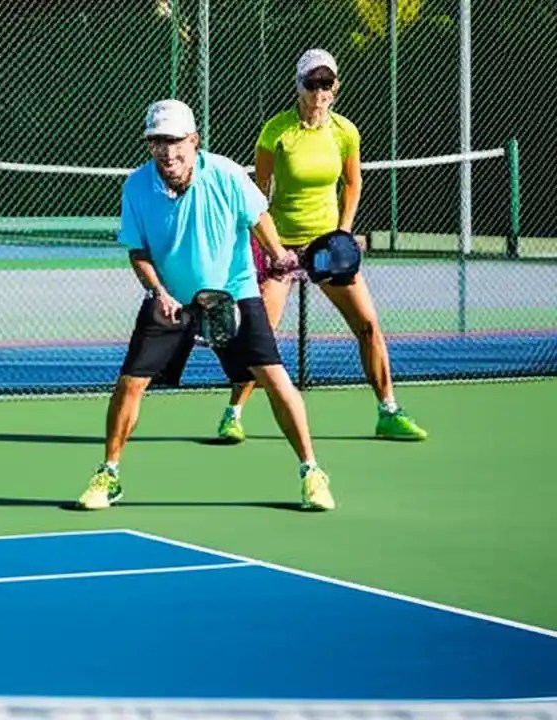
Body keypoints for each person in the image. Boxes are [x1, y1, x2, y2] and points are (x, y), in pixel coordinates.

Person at [74, 99, 335, 513]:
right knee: (130, 383)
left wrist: (278, 255)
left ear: (194, 141)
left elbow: (258, 216)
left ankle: (312, 473)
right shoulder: (137, 187)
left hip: (233, 291)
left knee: (274, 378)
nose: (167, 151)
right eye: (158, 141)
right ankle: (109, 474)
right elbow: (138, 251)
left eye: (175, 141)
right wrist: (158, 290)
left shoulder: (227, 175)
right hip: (171, 297)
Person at [213, 48, 428, 444]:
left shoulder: (346, 132)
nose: (319, 92)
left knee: (367, 326)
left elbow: (352, 184)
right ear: (299, 86)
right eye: (312, 83)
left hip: (327, 246)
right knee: (263, 334)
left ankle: (388, 411)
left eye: (326, 83)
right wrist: (269, 248)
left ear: (336, 87)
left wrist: (342, 234)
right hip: (281, 246)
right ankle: (233, 414)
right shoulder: (275, 132)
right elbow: (258, 196)